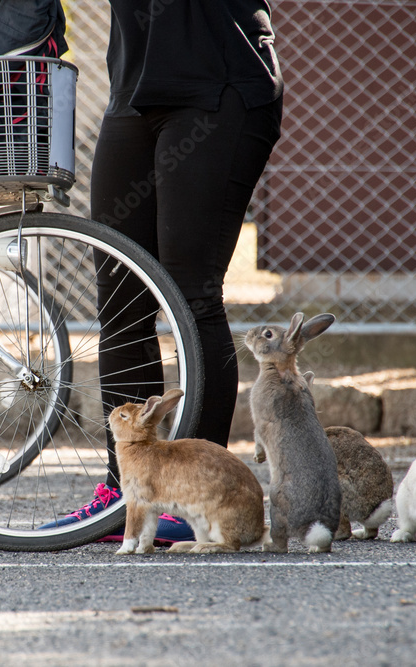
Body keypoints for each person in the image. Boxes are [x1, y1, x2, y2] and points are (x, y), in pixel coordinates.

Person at [43, 0, 284, 541]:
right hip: (133, 91)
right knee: (121, 303)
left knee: (190, 294)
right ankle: (126, 495)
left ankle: (201, 493)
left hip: (219, 83)